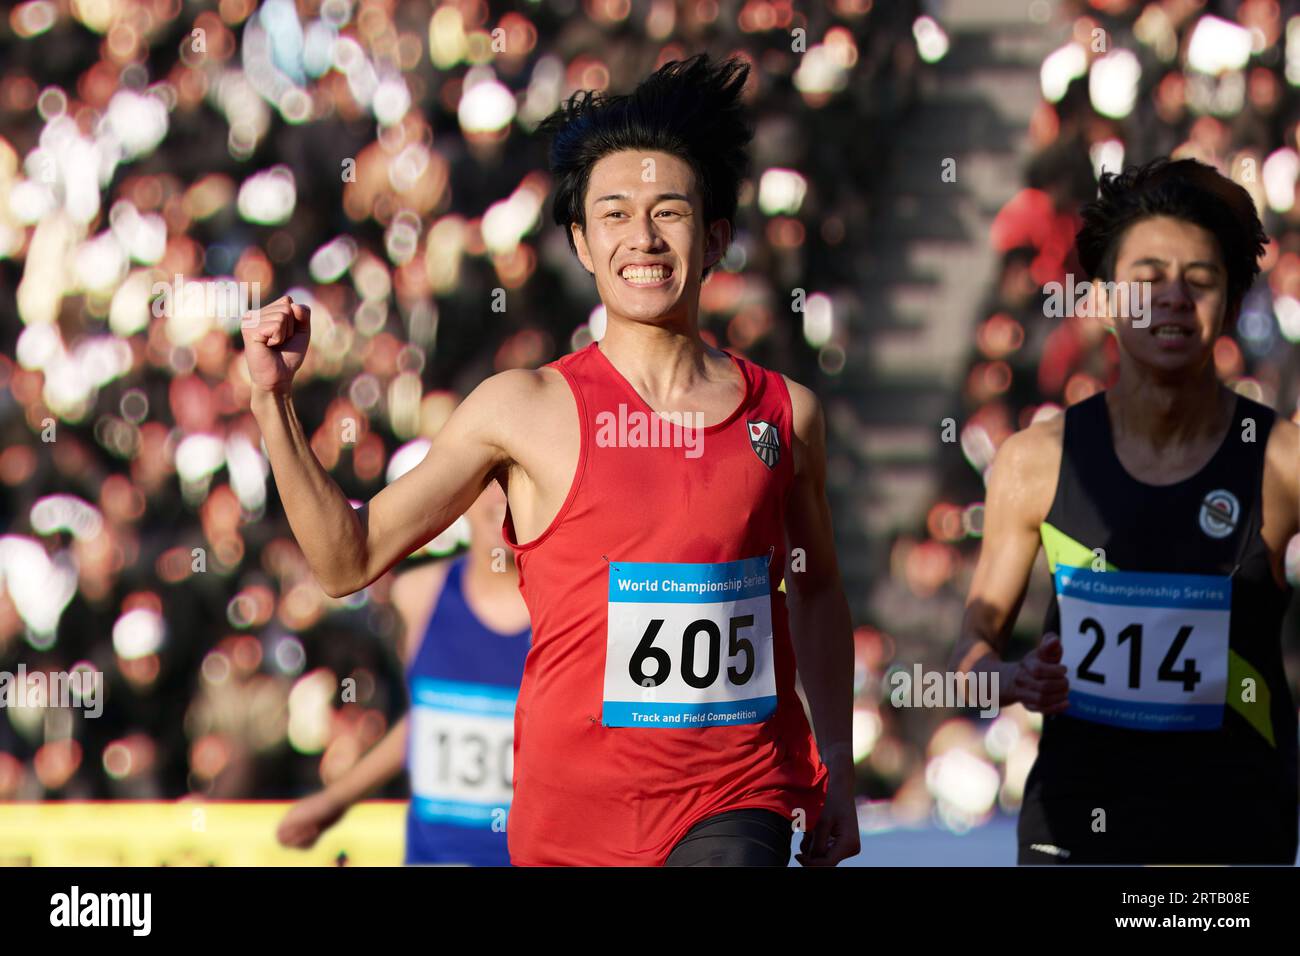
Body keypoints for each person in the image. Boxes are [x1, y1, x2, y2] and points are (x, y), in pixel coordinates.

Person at [245, 53, 858, 866]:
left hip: (734, 799)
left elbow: (817, 596)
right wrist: (273, 402)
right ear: (581, 240)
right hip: (567, 826)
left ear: (713, 237)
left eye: (668, 212)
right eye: (614, 214)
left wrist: (837, 777)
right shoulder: (519, 410)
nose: (642, 237)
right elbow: (343, 559)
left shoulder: (787, 415)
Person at [950, 156, 1299, 864]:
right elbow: (970, 652)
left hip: (1230, 830)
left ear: (1230, 306)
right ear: (1105, 302)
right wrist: (1009, 677)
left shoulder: (1283, 462)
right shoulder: (1032, 463)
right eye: (1146, 281)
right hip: (1074, 827)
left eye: (1199, 282)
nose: (1171, 300)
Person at [275, 483, 530, 865]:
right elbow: (422, 724)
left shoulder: (568, 609)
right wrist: (336, 799)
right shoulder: (418, 594)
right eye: (491, 480)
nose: (502, 498)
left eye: (516, 479)